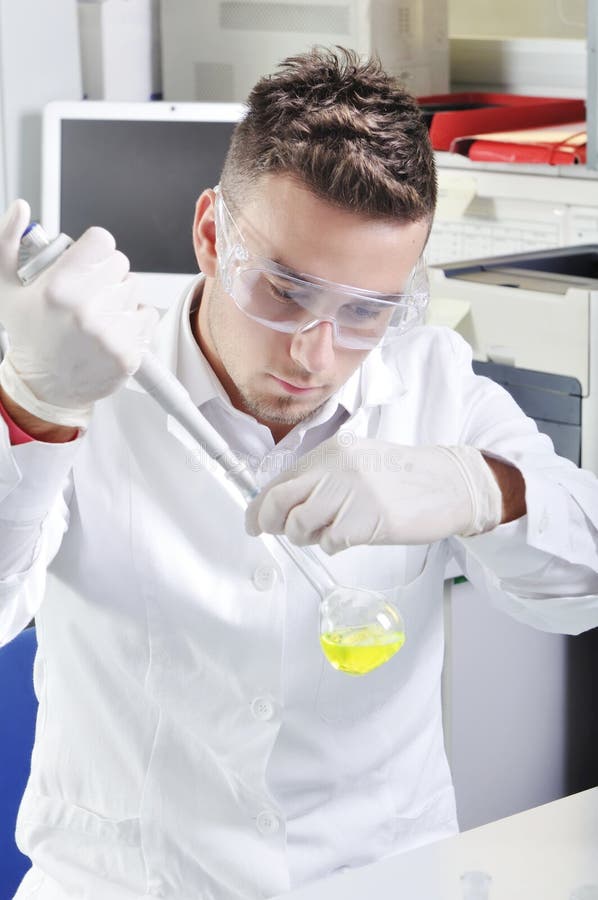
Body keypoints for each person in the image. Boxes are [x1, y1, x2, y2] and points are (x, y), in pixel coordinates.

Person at [0, 47, 597, 900]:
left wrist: (484, 488)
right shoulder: (87, 373)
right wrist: (33, 407)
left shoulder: (431, 380)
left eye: (367, 313)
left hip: (384, 882)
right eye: (284, 290)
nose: (316, 357)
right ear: (211, 235)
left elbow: (586, 580)